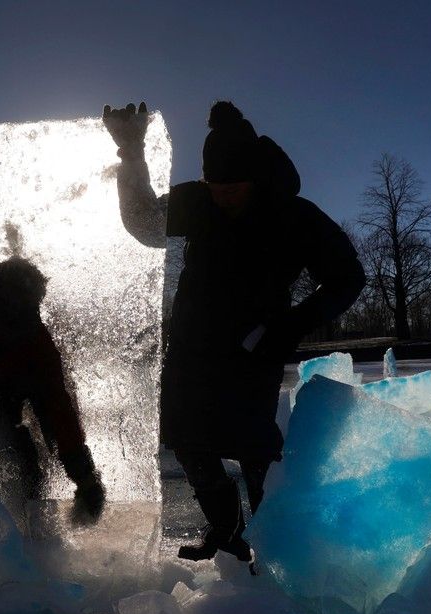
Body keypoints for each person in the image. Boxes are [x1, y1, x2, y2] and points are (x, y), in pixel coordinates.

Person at [103, 101, 365, 562]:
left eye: (233, 188)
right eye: (214, 186)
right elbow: (144, 224)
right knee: (189, 444)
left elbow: (348, 277)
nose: (221, 196)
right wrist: (131, 152)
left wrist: (290, 325)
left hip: (254, 349)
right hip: (191, 348)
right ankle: (225, 531)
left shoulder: (293, 214)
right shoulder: (199, 200)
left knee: (255, 451)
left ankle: (272, 546)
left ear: (256, 179)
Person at [0, 256, 106, 530]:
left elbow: (57, 406)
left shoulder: (33, 340)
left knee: (24, 462)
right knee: (5, 458)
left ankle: (24, 532)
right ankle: (0, 529)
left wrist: (83, 473)